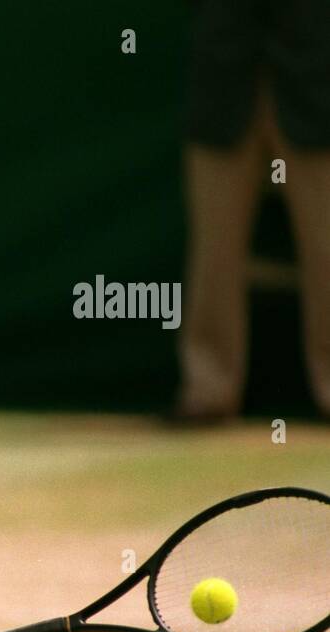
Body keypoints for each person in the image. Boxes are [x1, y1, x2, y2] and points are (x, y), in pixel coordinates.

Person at [175, 0, 330, 421]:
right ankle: (208, 391)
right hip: (222, 84)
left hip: (315, 88)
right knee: (213, 252)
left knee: (326, 249)